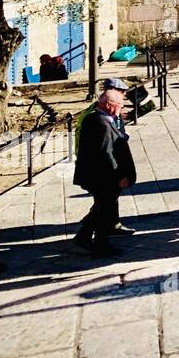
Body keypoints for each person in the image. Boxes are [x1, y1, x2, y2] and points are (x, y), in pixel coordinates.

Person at [73, 88, 136, 257]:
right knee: (104, 209)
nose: (121, 109)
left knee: (102, 208)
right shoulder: (100, 123)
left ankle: (84, 236)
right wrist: (119, 176)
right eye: (119, 105)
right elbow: (106, 154)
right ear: (108, 105)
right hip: (102, 177)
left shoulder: (97, 118)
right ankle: (100, 244)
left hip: (98, 176)